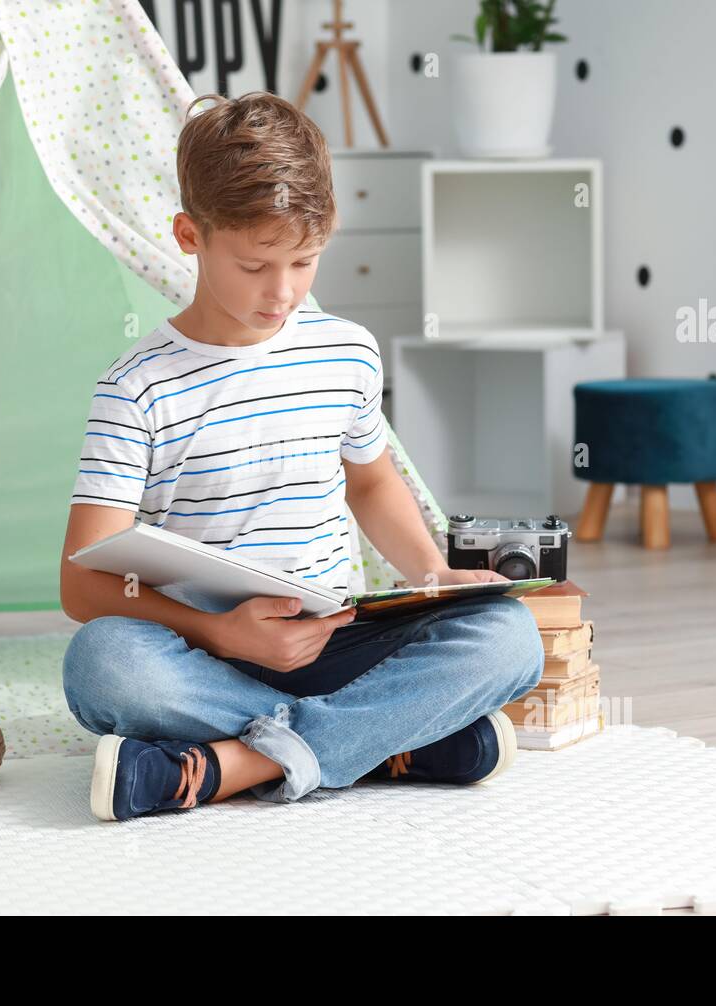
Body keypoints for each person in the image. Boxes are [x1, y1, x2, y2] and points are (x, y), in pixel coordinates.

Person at [59, 91, 545, 822]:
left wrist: (433, 573)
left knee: (509, 639)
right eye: (255, 264)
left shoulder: (347, 352)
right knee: (102, 665)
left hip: (336, 641)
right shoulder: (137, 389)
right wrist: (220, 631)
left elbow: (372, 484)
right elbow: (81, 584)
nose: (282, 290)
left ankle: (234, 763)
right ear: (190, 235)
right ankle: (389, 744)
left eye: (304, 261)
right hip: (205, 657)